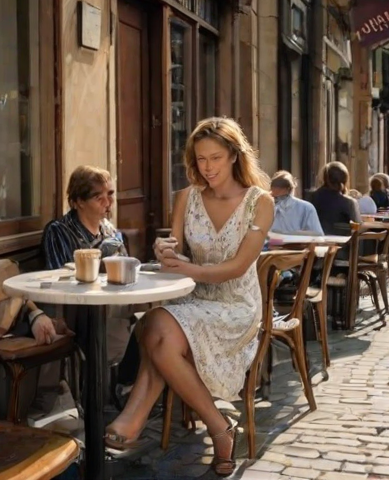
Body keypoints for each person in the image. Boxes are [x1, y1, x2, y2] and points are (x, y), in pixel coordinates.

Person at [103, 117, 273, 477]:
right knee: (156, 326)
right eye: (200, 160)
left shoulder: (261, 202)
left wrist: (188, 270)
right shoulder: (186, 198)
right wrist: (164, 249)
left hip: (236, 307)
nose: (207, 168)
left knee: (155, 327)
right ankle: (219, 430)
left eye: (214, 158)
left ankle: (136, 417)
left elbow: (238, 267)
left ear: (233, 156)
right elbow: (173, 252)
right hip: (192, 299)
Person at [41, 166, 139, 388]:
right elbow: (60, 281)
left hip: (112, 306)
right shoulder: (58, 231)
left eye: (110, 194)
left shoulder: (109, 230)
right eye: (98, 197)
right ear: (78, 202)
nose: (108, 202)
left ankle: (127, 383)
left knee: (152, 320)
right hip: (76, 312)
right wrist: (98, 256)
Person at [308, 161, 361, 235]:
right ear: (345, 179)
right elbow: (358, 226)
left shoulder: (311, 197)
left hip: (314, 242)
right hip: (340, 244)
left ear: (324, 178)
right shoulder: (348, 202)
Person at [270, 170, 324, 235]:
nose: (280, 202)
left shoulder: (306, 208)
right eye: (275, 198)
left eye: (283, 197)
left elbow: (317, 235)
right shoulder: (265, 207)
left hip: (298, 244)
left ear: (290, 190)